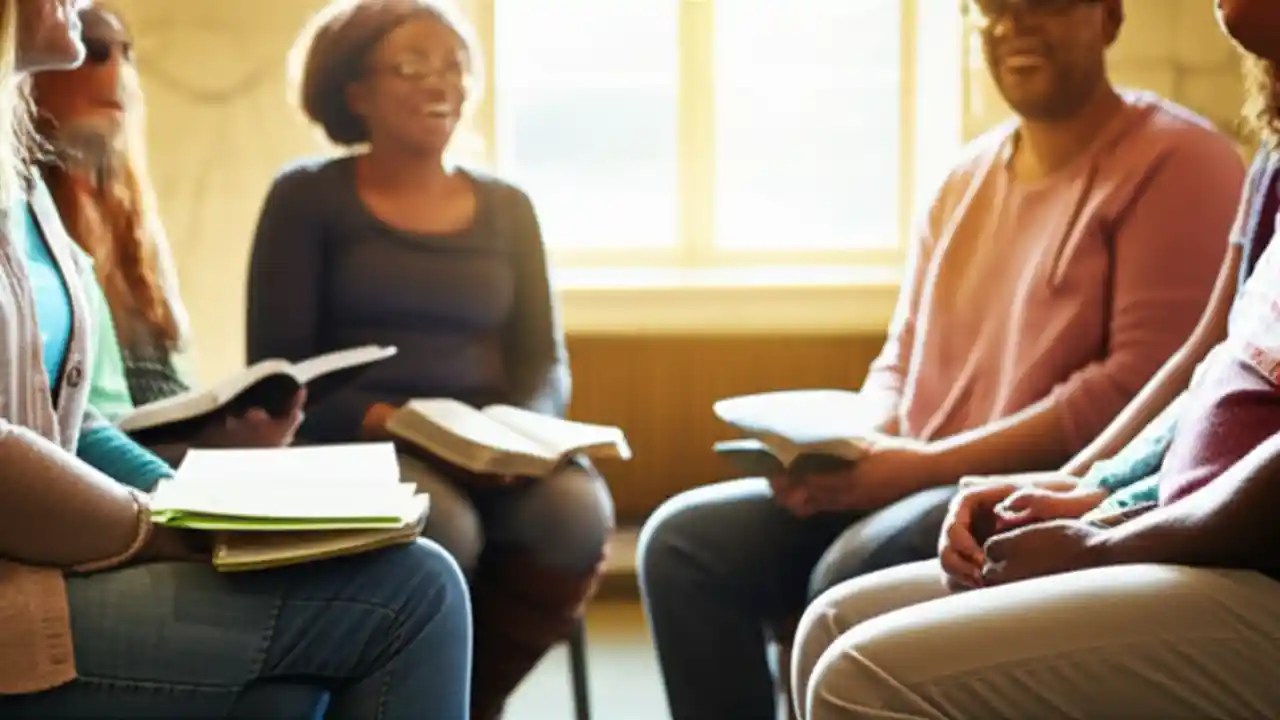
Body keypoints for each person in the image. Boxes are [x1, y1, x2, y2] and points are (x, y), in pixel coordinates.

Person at [638, 0, 1247, 716]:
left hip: (1031, 486)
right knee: (680, 545)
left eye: (1043, 4)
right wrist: (849, 453)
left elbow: (1129, 389)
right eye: (992, 9)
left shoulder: (1181, 161)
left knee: (848, 571)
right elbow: (899, 358)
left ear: (1108, 19)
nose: (1014, 24)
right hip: (908, 472)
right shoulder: (963, 179)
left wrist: (913, 469)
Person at [0, 1, 471, 717]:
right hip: (19, 594)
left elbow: (61, 416)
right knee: (418, 593)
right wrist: (154, 528)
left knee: (289, 691)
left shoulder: (19, 172)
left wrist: (197, 506)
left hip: (55, 551)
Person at [244, 1, 613, 716]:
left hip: (491, 442)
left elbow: (544, 361)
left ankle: (471, 702)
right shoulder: (307, 197)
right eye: (412, 66)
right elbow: (280, 367)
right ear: (356, 93)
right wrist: (388, 417)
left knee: (575, 509)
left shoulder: (510, 207)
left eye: (455, 65)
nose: (440, 83)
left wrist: (523, 431)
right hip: (355, 435)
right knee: (443, 522)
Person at [30, 3, 303, 463]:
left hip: (170, 454)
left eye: (126, 54)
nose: (118, 70)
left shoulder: (133, 218)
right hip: (104, 464)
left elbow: (176, 383)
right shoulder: (26, 210)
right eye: (95, 51)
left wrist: (228, 427)